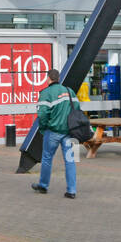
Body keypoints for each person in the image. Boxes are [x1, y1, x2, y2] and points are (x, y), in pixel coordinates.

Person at [31, 68, 78, 199]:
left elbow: (42, 114)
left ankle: (43, 185)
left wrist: (43, 128)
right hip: (69, 132)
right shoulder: (70, 91)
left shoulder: (46, 93)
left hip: (52, 131)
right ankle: (72, 190)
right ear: (58, 78)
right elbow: (77, 109)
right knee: (70, 160)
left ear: (48, 78)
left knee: (47, 158)